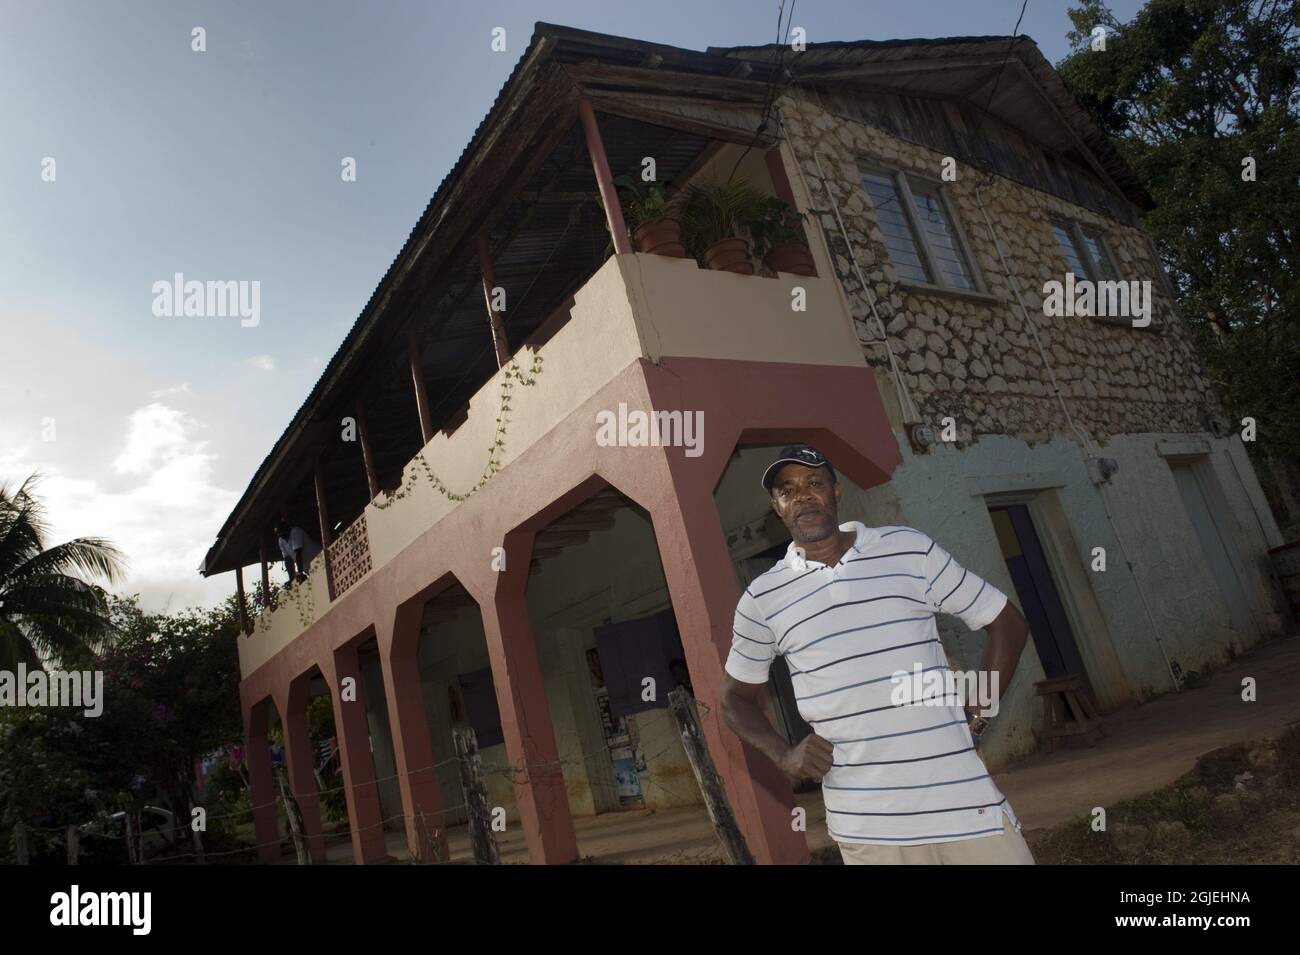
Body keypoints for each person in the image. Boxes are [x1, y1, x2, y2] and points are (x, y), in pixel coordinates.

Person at [720, 445, 1035, 865]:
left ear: (836, 491)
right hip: (868, 830)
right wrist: (784, 754)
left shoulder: (908, 550)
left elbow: (1007, 623)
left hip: (965, 805)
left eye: (815, 483)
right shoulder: (762, 599)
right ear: (776, 506)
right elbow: (733, 700)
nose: (803, 496)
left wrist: (977, 720)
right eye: (787, 489)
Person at [274, 520, 320, 585]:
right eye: (280, 535)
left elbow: (298, 553)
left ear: (288, 529)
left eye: (283, 534)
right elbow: (287, 560)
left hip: (320, 560)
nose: (283, 537)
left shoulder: (295, 532)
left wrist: (300, 573)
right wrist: (291, 579)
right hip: (309, 570)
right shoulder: (281, 541)